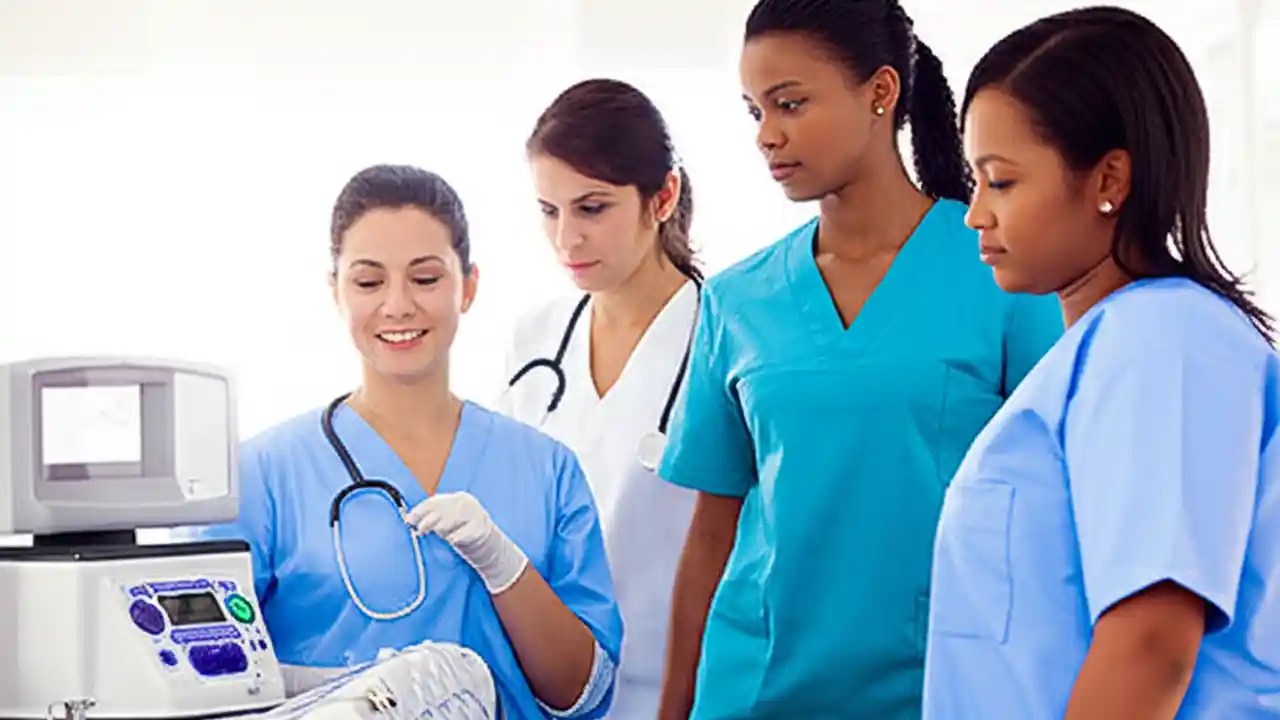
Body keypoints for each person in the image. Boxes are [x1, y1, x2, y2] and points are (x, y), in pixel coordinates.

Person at [656, 1, 1065, 718]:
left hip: (936, 688)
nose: (766, 136)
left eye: (790, 104)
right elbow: (711, 532)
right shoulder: (736, 300)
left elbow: (1053, 507)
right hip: (752, 691)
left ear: (880, 92)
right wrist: (673, 709)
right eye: (754, 111)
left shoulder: (1002, 277)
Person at [923, 7, 1280, 719]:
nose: (974, 214)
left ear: (1108, 177)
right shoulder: (1109, 347)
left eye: (1001, 182)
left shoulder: (1165, 339)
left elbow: (1152, 643)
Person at [192, 164, 623, 719]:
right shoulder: (262, 475)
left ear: (468, 286)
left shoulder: (546, 471)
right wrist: (338, 691)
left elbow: (582, 695)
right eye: (369, 282)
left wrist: (503, 566)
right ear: (336, 291)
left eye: (425, 278)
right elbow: (196, 677)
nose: (397, 305)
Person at [497, 77, 700, 720]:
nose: (566, 240)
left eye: (592, 209)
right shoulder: (535, 340)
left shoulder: (728, 339)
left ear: (662, 196)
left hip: (679, 697)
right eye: (548, 210)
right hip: (547, 693)